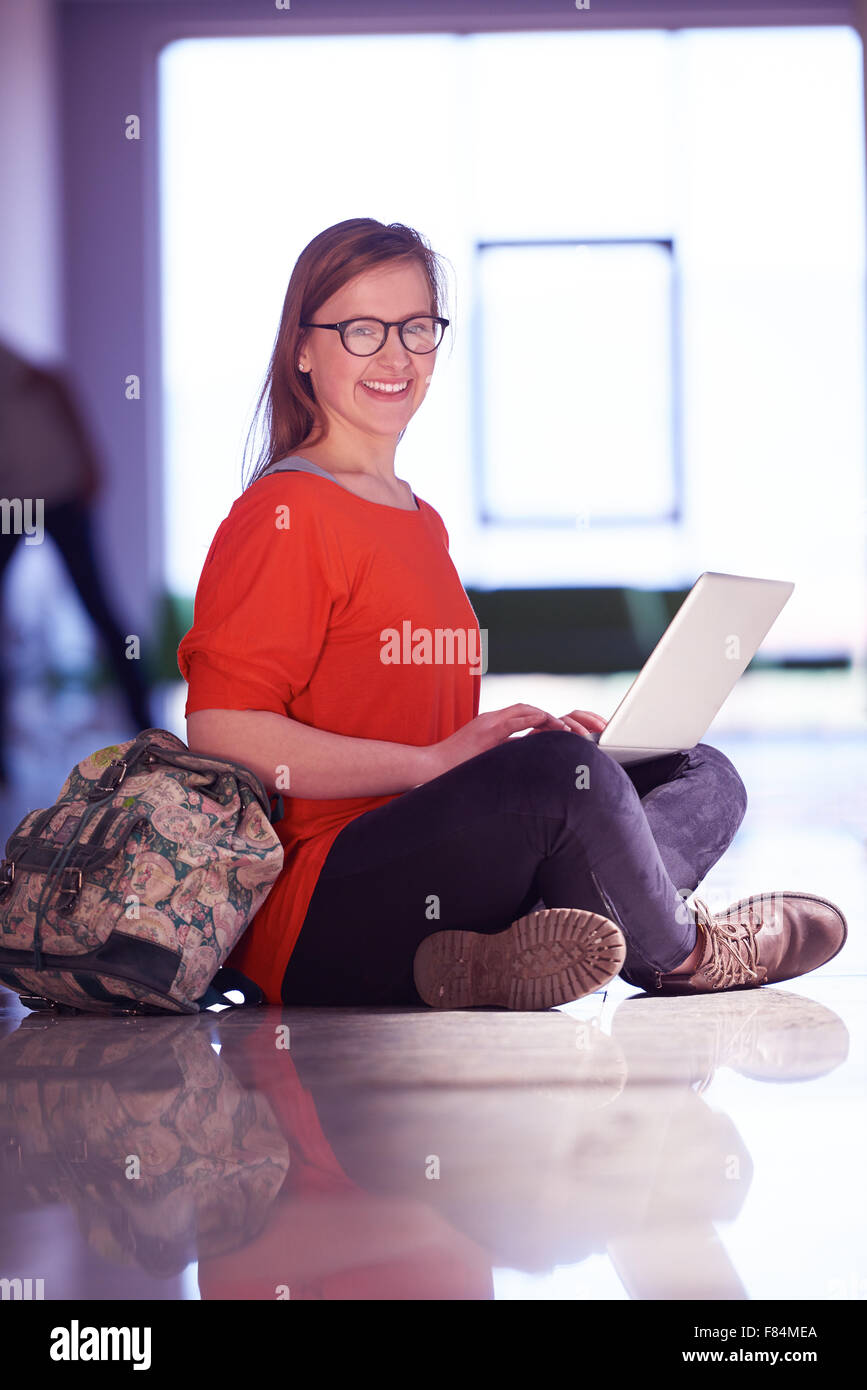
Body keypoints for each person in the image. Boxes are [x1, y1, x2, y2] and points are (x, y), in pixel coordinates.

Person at [177, 217, 847, 1010]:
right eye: (361, 331)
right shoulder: (284, 513)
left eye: (416, 328)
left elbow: (409, 722)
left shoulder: (416, 518)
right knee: (559, 779)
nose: (395, 356)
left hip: (435, 865)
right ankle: (687, 951)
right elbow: (223, 730)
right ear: (301, 348)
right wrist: (434, 767)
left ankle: (503, 953)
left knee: (698, 770)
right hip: (323, 908)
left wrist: (496, 750)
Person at [0, 339, 154, 784]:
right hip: (12, 498)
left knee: (97, 605)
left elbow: (55, 382)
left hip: (58, 491)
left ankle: (148, 727)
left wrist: (89, 457)